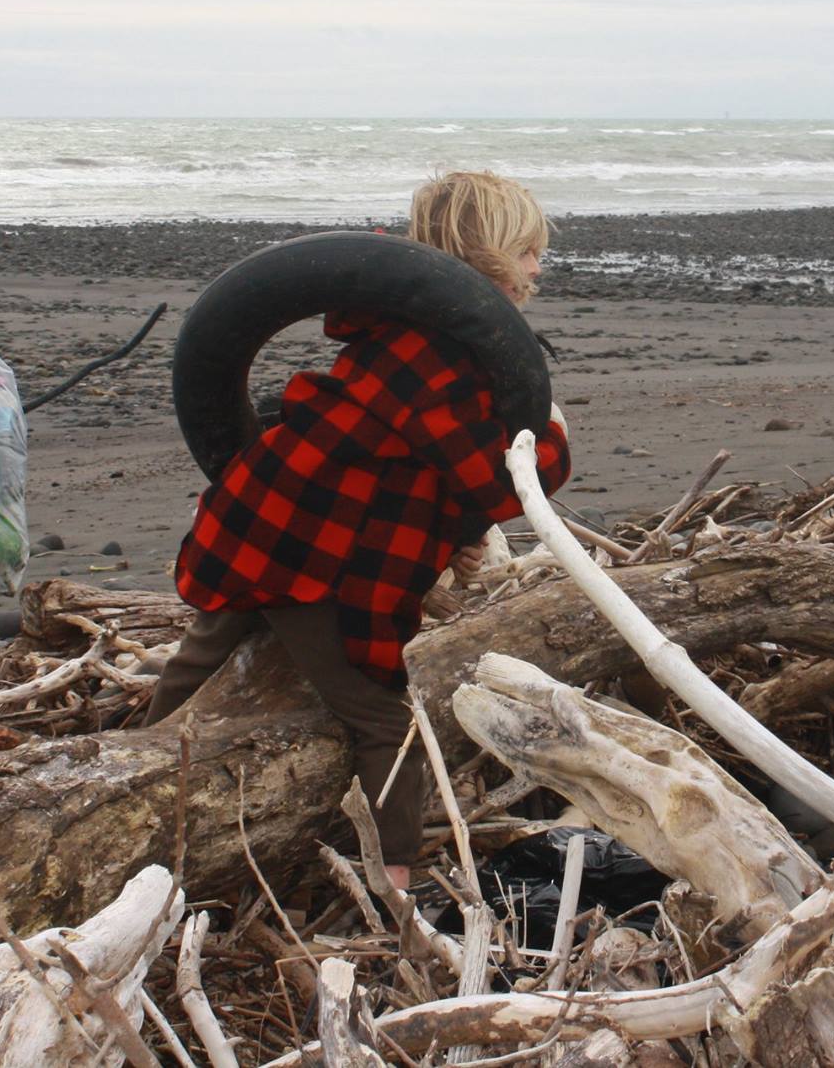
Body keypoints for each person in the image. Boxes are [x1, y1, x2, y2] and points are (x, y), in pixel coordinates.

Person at [148, 170, 572, 888]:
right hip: (314, 555)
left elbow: (419, 464)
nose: (539, 266)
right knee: (384, 721)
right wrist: (556, 438)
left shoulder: (403, 335)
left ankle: (134, 761)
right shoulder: (434, 353)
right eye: (528, 250)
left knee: (196, 670)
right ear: (488, 254)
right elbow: (495, 477)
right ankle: (391, 886)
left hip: (257, 519)